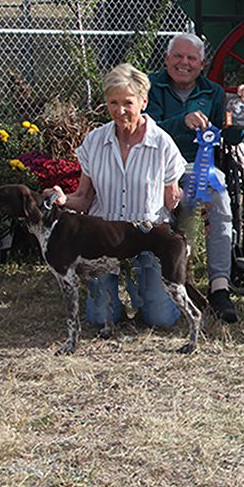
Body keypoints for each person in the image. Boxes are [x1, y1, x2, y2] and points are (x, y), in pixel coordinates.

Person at [46, 63, 187, 330]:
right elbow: (84, 198)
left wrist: (187, 198)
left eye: (127, 103)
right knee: (99, 320)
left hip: (147, 238)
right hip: (103, 241)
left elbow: (172, 203)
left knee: (161, 320)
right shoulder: (94, 142)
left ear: (143, 102)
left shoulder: (163, 143)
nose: (120, 111)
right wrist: (63, 199)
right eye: (113, 102)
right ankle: (121, 296)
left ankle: (143, 293)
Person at [147, 32, 244, 324]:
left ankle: (219, 288)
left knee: (219, 194)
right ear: (167, 59)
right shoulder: (151, 86)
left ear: (202, 64)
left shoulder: (214, 93)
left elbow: (232, 136)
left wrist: (243, 108)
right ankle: (166, 277)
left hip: (199, 166)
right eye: (178, 56)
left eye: (191, 58)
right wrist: (181, 122)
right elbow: (145, 130)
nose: (184, 63)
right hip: (157, 167)